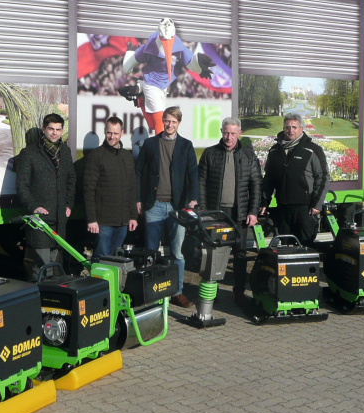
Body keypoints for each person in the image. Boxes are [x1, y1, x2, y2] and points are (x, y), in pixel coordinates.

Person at [135, 106, 199, 307]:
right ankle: (153, 293)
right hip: (153, 206)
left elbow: (193, 175)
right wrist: (138, 199)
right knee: (151, 252)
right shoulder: (150, 144)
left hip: (176, 207)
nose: (170, 125)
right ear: (162, 121)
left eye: (174, 121)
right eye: (167, 120)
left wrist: (193, 198)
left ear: (179, 123)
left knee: (177, 253)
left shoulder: (186, 146)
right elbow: (138, 173)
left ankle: (177, 292)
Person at [198, 117, 262, 306]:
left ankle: (239, 292)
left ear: (239, 133)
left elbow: (256, 185)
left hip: (239, 214)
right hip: (216, 214)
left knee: (240, 254)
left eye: (233, 133)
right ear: (221, 131)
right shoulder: (210, 153)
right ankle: (212, 292)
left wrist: (253, 212)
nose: (229, 137)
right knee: (214, 254)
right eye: (226, 132)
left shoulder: (249, 155)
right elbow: (200, 182)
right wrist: (203, 210)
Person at [119, 18, 215, 135]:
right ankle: (160, 148)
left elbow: (190, 62)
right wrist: (130, 53)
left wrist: (199, 64)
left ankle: (141, 98)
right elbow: (130, 62)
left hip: (164, 86)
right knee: (160, 121)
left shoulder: (179, 48)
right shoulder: (149, 48)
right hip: (151, 82)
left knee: (152, 124)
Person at [16, 113, 76, 281]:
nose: (54, 133)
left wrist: (69, 204)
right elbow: (21, 185)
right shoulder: (29, 153)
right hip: (40, 220)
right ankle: (38, 300)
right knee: (40, 268)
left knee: (57, 267)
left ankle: (55, 300)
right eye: (51, 129)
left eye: (58, 129)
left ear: (62, 130)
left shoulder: (65, 151)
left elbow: (71, 179)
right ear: (44, 129)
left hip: (59, 219)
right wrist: (33, 206)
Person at [260, 113, 329, 246]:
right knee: (286, 247)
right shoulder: (274, 151)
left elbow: (323, 177)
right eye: (287, 127)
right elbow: (268, 179)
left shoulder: (313, 150)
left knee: (305, 246)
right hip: (283, 208)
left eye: (294, 127)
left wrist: (316, 203)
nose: (290, 130)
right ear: (283, 128)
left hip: (305, 208)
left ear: (301, 128)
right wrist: (265, 200)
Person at [83, 116, 138, 259]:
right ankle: (97, 281)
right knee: (101, 259)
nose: (112, 136)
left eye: (115, 133)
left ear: (122, 133)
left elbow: (132, 188)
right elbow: (89, 190)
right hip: (103, 223)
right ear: (104, 132)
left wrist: (133, 216)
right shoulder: (96, 156)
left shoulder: (127, 156)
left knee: (115, 260)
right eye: (109, 133)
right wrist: (92, 220)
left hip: (122, 222)